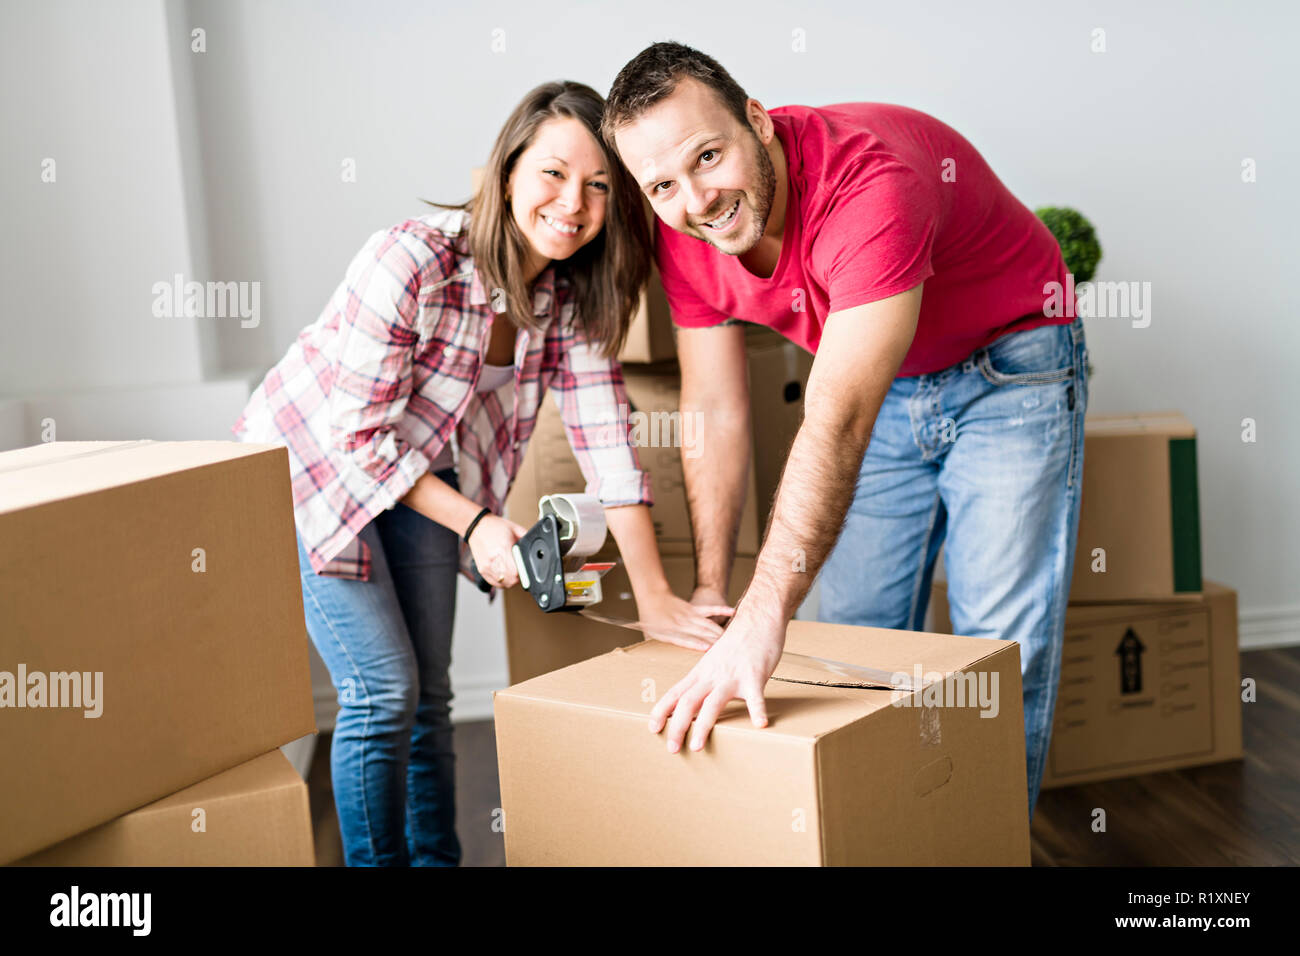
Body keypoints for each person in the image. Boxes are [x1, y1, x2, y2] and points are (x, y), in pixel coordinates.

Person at [232, 80, 732, 866]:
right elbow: (356, 437)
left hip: (416, 479)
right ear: (507, 173)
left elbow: (607, 446)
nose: (574, 202)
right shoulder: (412, 260)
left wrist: (660, 598)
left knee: (432, 694)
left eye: (600, 186)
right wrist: (476, 522)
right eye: (555, 174)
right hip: (312, 472)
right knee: (383, 692)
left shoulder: (569, 297)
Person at [602, 42, 1089, 820]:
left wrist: (764, 616)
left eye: (708, 155)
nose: (696, 200)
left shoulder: (870, 185)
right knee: (854, 641)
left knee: (996, 652)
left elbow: (835, 420)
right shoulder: (680, 231)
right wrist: (712, 589)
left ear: (757, 122)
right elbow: (717, 410)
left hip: (1010, 364)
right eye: (662, 183)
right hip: (885, 377)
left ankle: (983, 844)